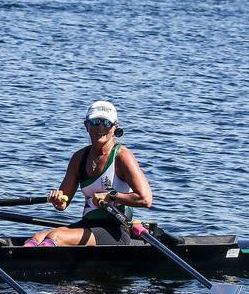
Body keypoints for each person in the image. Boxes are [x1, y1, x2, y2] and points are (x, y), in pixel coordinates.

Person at [26, 100, 153, 246]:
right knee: (37, 237)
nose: (100, 127)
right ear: (86, 125)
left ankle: (37, 264)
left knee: (56, 236)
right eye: (95, 122)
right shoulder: (79, 158)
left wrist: (110, 196)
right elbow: (62, 204)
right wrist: (58, 199)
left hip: (115, 231)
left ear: (115, 128)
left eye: (106, 123)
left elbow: (146, 199)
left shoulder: (122, 157)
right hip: (88, 225)